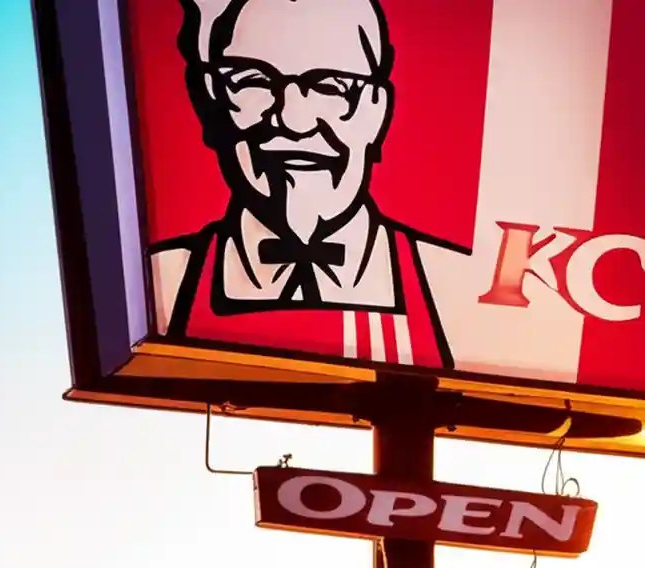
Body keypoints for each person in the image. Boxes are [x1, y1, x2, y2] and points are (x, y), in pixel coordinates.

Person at [148, 0, 465, 369]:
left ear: (377, 109)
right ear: (212, 101)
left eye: (331, 86)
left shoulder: (452, 285)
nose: (294, 120)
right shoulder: (160, 283)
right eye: (253, 81)